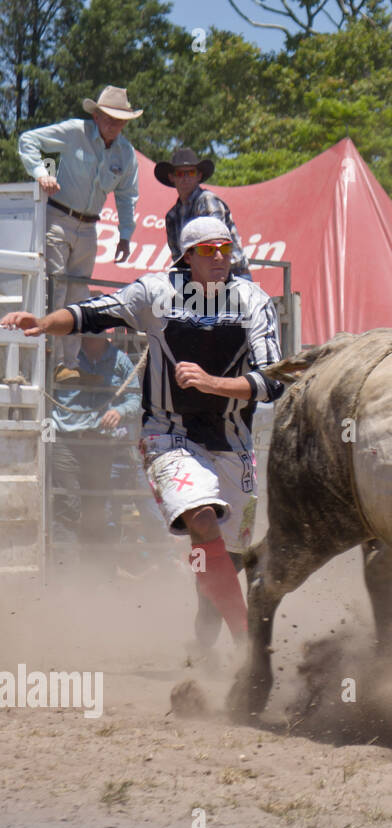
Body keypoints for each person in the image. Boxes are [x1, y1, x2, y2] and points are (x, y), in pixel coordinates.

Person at [2, 217, 285, 656]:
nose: (219, 258)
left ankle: (204, 635)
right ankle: (248, 645)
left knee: (224, 558)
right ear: (187, 255)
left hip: (234, 441)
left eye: (225, 249)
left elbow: (273, 381)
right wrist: (43, 320)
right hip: (169, 436)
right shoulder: (156, 292)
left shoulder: (252, 300)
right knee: (203, 520)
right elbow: (94, 312)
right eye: (208, 250)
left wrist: (211, 384)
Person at [17, 86, 141, 367]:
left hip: (89, 227)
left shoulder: (126, 153)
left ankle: (68, 364)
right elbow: (28, 140)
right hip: (58, 217)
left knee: (78, 294)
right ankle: (48, 359)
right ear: (96, 116)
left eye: (120, 120)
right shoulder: (75, 131)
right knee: (54, 286)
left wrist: (125, 235)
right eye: (109, 117)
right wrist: (41, 174)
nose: (114, 124)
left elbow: (127, 196)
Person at [48, 333, 141, 553]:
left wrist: (120, 411)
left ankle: (93, 572)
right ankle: (66, 570)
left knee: (97, 509)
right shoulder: (64, 355)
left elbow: (135, 398)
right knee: (67, 504)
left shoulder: (120, 361)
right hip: (66, 441)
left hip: (101, 445)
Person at [157, 147, 250, 278]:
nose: (185, 178)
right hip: (199, 277)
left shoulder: (207, 200)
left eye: (190, 173)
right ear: (171, 177)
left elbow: (216, 243)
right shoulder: (172, 216)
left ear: (198, 175)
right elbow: (179, 258)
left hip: (232, 274)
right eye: (180, 174)